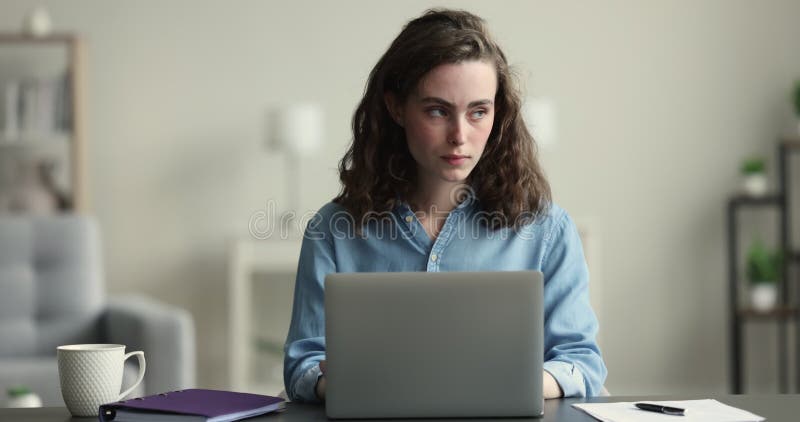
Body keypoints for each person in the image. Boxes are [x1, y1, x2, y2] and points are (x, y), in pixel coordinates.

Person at [283, 8, 607, 403]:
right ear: (396, 107)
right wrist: (335, 383)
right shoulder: (333, 230)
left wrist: (506, 385)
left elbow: (581, 362)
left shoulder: (547, 229)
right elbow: (303, 364)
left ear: (497, 114)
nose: (460, 136)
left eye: (478, 112)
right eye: (437, 110)